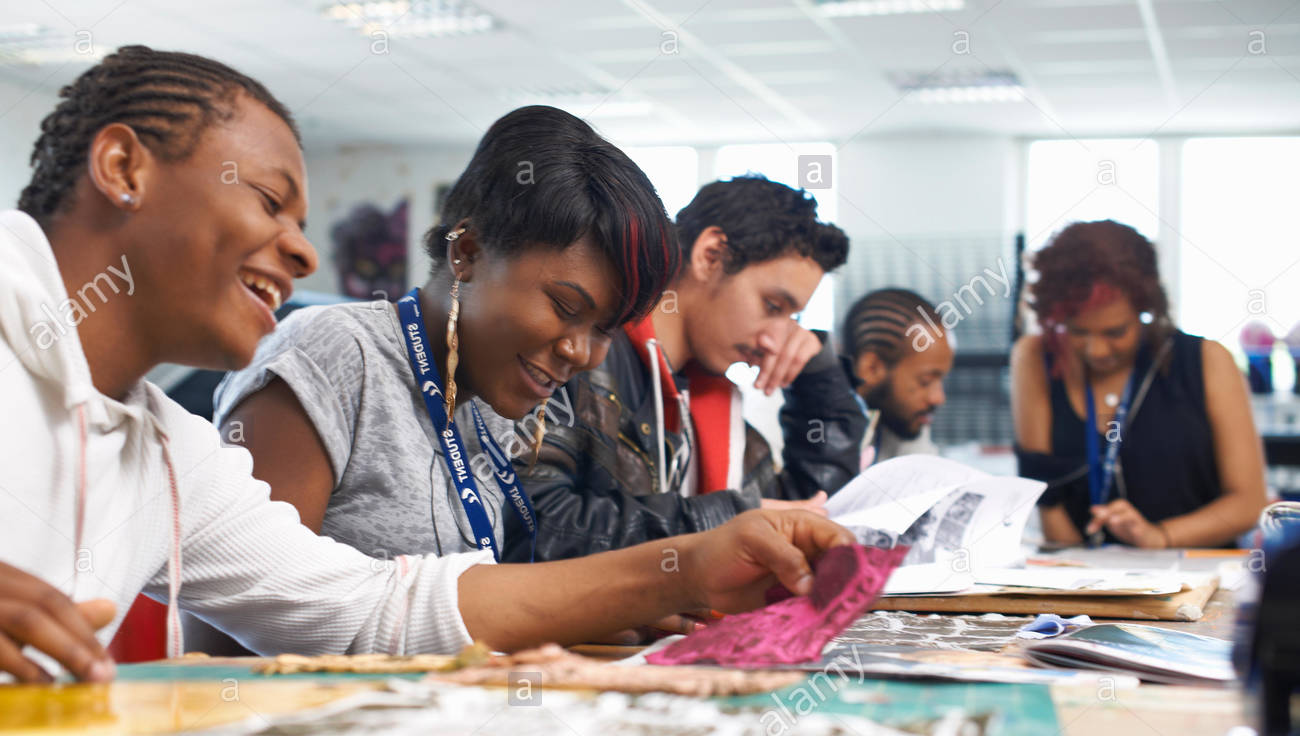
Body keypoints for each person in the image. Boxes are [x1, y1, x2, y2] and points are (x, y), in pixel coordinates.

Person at [0, 46, 855, 683]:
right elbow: (246, 660)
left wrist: (686, 566)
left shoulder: (162, 452)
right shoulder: (334, 357)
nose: (301, 251)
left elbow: (371, 605)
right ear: (121, 168)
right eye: (269, 202)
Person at [510, 175, 860, 563]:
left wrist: (817, 375)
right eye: (773, 306)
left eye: (793, 317)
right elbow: (531, 525)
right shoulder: (579, 357)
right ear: (711, 255)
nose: (775, 339)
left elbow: (808, 516)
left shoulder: (709, 400)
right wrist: (721, 523)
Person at [1011, 219, 1267, 548]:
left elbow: (1247, 502)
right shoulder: (1035, 357)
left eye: (1115, 332)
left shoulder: (1207, 361)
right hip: (1084, 578)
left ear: (1146, 307)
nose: (1096, 351)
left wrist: (1160, 537)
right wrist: (1082, 580)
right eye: (1078, 332)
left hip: (1194, 575)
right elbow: (1050, 502)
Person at [838, 287, 953, 467]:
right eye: (926, 382)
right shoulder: (808, 430)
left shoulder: (903, 420)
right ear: (872, 368)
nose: (938, 398)